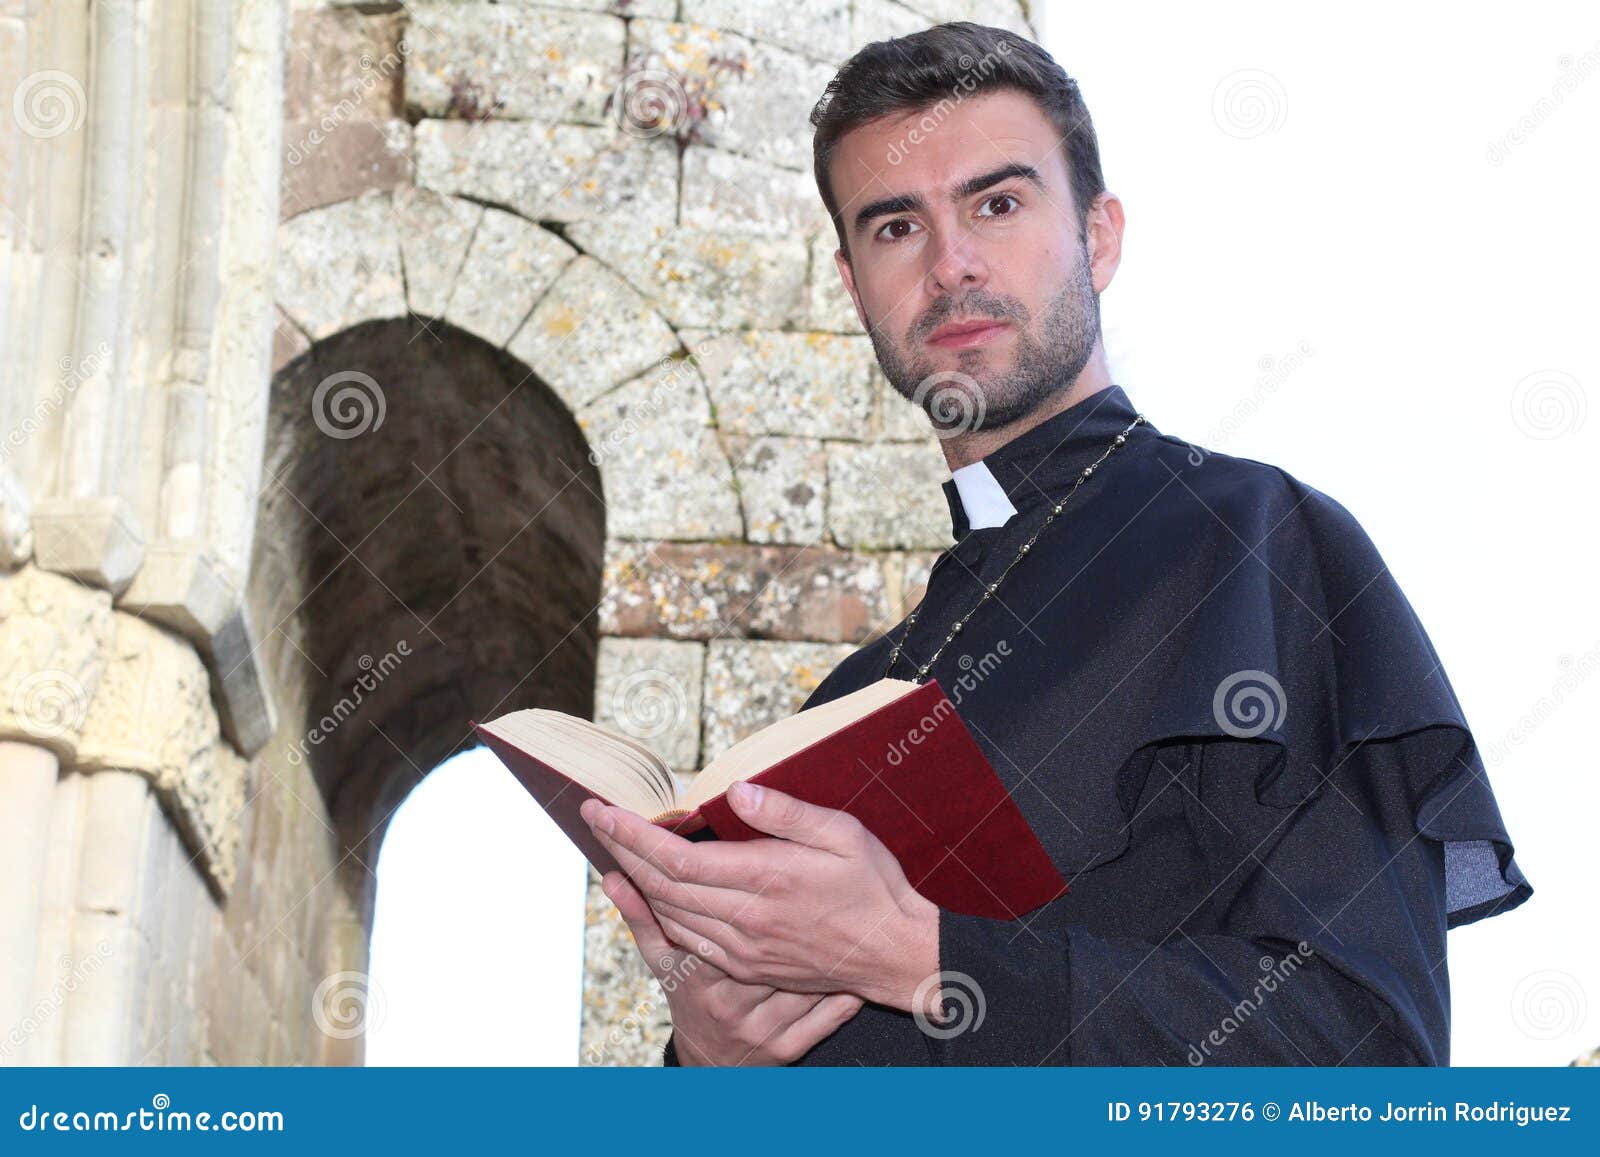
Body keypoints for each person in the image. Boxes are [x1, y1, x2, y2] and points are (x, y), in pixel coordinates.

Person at [579, 21, 1531, 1066]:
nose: (951, 265)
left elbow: (1367, 1054)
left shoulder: (1262, 546)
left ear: (1100, 235)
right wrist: (712, 1061)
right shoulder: (848, 699)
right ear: (855, 287)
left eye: (997, 203)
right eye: (896, 227)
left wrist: (922, 955)